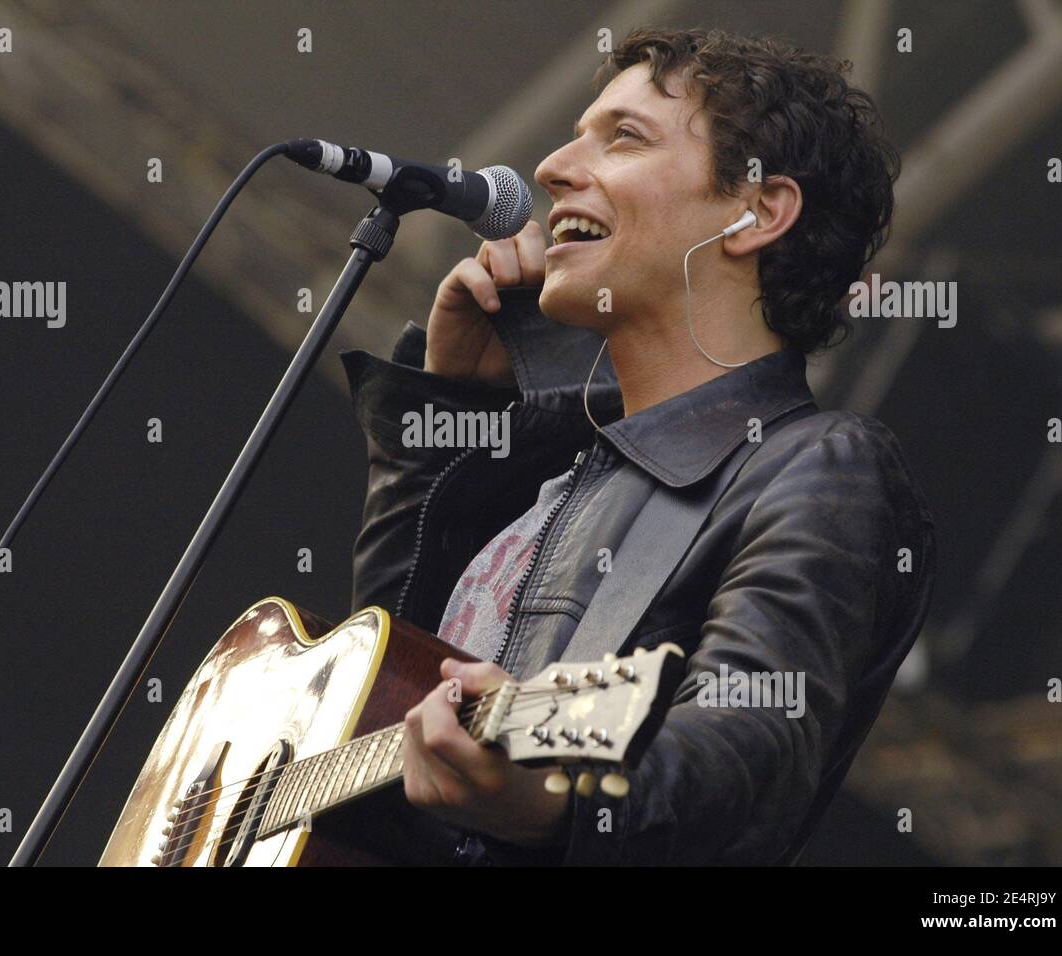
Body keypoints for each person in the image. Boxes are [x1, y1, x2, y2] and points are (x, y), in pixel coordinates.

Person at [339, 27, 936, 865]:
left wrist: (556, 800)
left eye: (624, 136)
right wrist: (450, 417)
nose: (549, 168)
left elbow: (744, 746)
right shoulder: (557, 468)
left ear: (757, 210)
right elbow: (376, 695)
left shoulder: (815, 468)